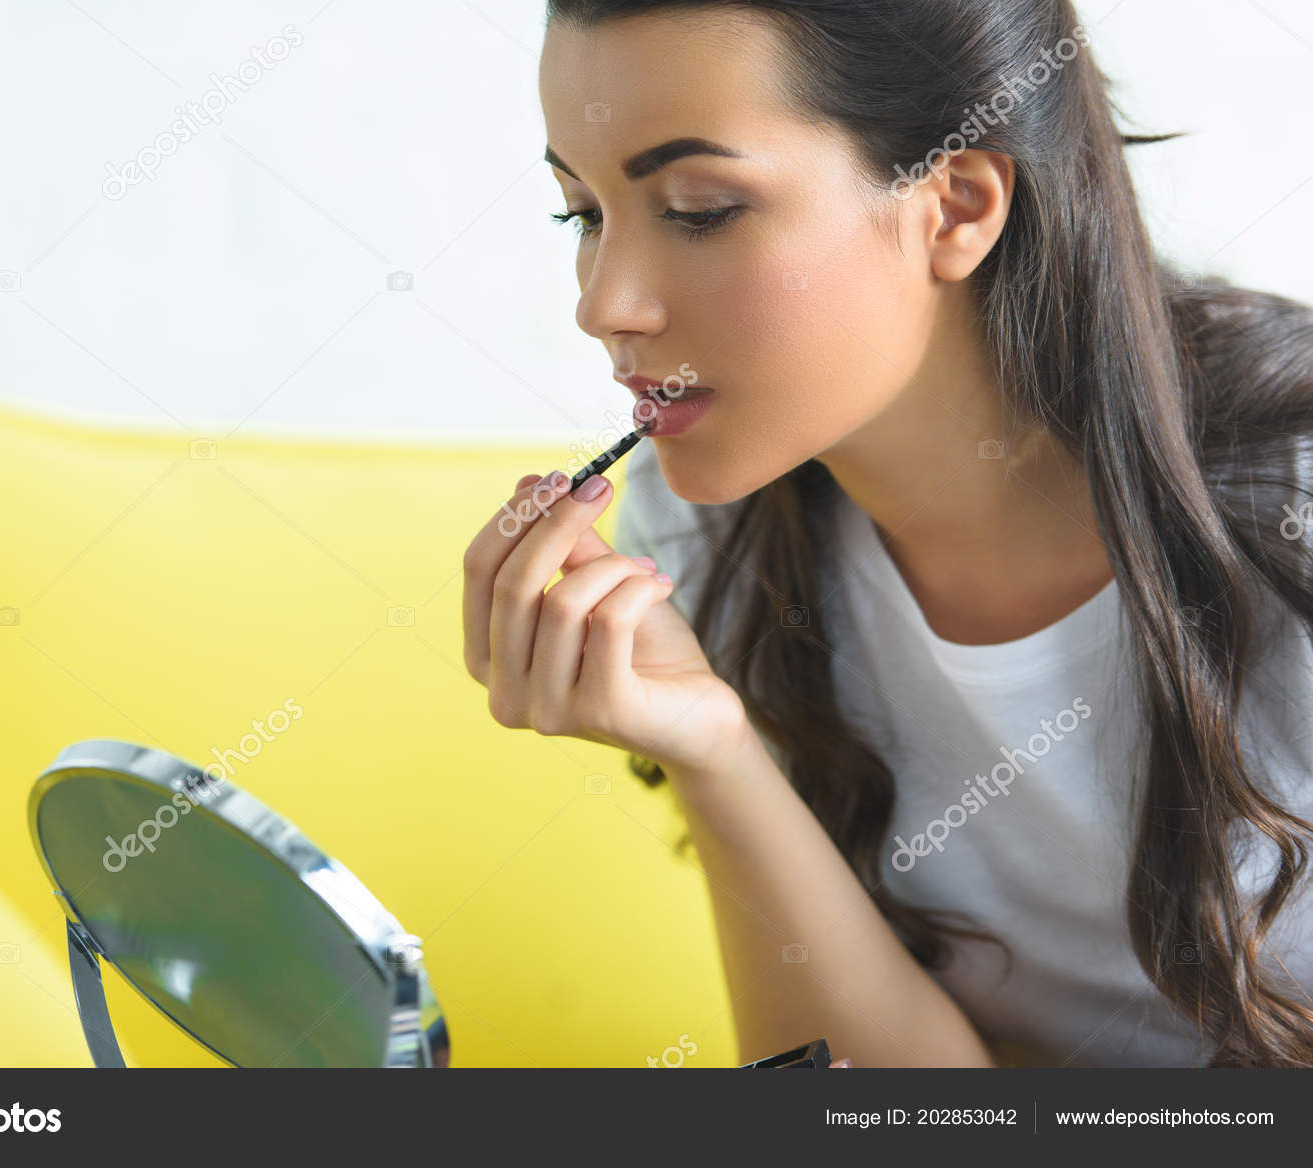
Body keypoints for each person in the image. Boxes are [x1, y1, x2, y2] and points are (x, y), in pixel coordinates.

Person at [461, 0, 1313, 1067]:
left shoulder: (1293, 503)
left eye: (698, 209)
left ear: (954, 205)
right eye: (579, 214)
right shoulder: (696, 533)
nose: (605, 303)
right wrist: (714, 750)